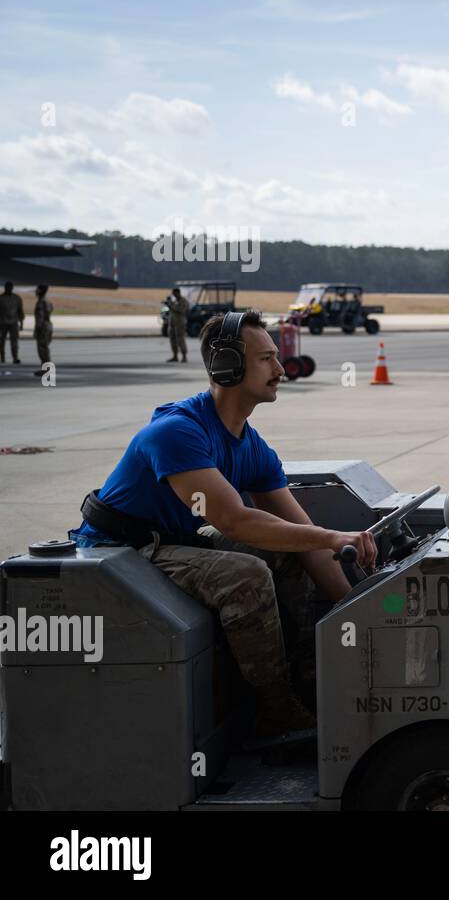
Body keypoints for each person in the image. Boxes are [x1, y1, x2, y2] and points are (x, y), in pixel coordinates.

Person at [69, 310, 378, 737]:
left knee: (287, 552)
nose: (281, 369)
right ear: (227, 365)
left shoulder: (252, 448)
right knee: (245, 574)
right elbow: (234, 521)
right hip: (120, 552)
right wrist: (331, 535)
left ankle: (311, 676)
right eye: (266, 359)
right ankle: (277, 712)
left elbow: (308, 543)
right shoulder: (177, 432)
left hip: (174, 541)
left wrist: (358, 613)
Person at [0, 280, 23, 364]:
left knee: (14, 342)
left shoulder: (17, 298)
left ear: (12, 288)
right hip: (2, 323)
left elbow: (20, 311)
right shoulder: (1, 298)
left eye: (10, 287)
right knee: (1, 342)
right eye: (7, 287)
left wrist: (21, 323)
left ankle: (15, 357)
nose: (8, 289)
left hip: (14, 323)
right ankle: (2, 358)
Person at [165, 287, 189, 362]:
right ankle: (175, 356)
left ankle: (184, 356)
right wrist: (169, 303)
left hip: (180, 323)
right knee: (173, 340)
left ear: (178, 293)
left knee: (180, 340)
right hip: (172, 323)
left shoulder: (183, 301)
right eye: (173, 294)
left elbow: (181, 310)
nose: (174, 295)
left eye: (175, 293)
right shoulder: (175, 301)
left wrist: (170, 305)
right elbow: (172, 310)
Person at [33, 284, 53, 375]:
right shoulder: (48, 302)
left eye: (37, 289)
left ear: (41, 291)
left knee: (42, 349)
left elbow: (40, 318)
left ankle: (46, 370)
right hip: (48, 325)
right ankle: (46, 368)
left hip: (43, 327)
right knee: (45, 348)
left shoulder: (41, 303)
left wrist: (37, 330)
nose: (36, 291)